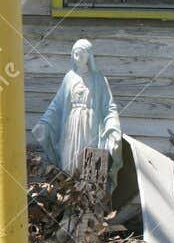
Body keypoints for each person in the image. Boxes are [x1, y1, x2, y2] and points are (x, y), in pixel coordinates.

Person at [32, 38, 122, 185]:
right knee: (69, 160)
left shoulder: (98, 79)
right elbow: (57, 104)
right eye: (75, 54)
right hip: (71, 126)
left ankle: (90, 193)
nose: (78, 57)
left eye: (81, 54)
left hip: (90, 126)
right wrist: (45, 123)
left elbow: (109, 107)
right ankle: (70, 191)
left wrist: (113, 127)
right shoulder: (69, 78)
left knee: (91, 160)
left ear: (89, 56)